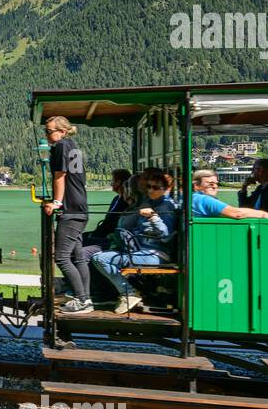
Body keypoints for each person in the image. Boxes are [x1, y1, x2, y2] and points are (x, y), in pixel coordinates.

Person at [91, 170, 179, 315]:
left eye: (156, 187)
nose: (151, 190)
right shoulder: (150, 203)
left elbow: (166, 235)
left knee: (100, 258)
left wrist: (153, 217)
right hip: (140, 250)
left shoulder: (165, 207)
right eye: (149, 186)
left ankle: (129, 293)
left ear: (166, 189)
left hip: (154, 254)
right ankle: (127, 293)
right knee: (100, 256)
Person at [43, 115, 91, 313]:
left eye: (49, 131)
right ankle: (85, 297)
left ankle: (82, 300)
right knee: (78, 256)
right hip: (80, 206)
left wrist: (56, 202)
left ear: (61, 131)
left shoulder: (62, 146)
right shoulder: (73, 146)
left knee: (62, 257)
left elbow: (59, 176)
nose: (46, 135)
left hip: (70, 209)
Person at [191, 170, 268, 219]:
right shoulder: (204, 200)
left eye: (216, 184)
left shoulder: (192, 198)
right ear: (196, 186)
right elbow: (237, 213)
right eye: (210, 184)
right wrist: (263, 214)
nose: (215, 187)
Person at [84, 169, 133, 248]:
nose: (111, 183)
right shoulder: (116, 198)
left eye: (112, 181)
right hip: (101, 232)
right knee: (81, 237)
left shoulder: (126, 202)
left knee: (80, 241)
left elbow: (114, 224)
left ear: (118, 182)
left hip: (108, 236)